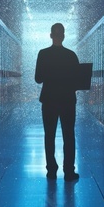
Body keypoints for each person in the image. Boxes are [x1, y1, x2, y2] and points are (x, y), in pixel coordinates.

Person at [35, 23, 80, 181]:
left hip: (49, 100)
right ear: (64, 36)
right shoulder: (71, 55)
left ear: (50, 35)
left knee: (49, 135)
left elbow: (38, 79)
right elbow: (78, 81)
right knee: (69, 135)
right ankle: (69, 171)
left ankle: (51, 171)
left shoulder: (43, 54)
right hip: (67, 100)